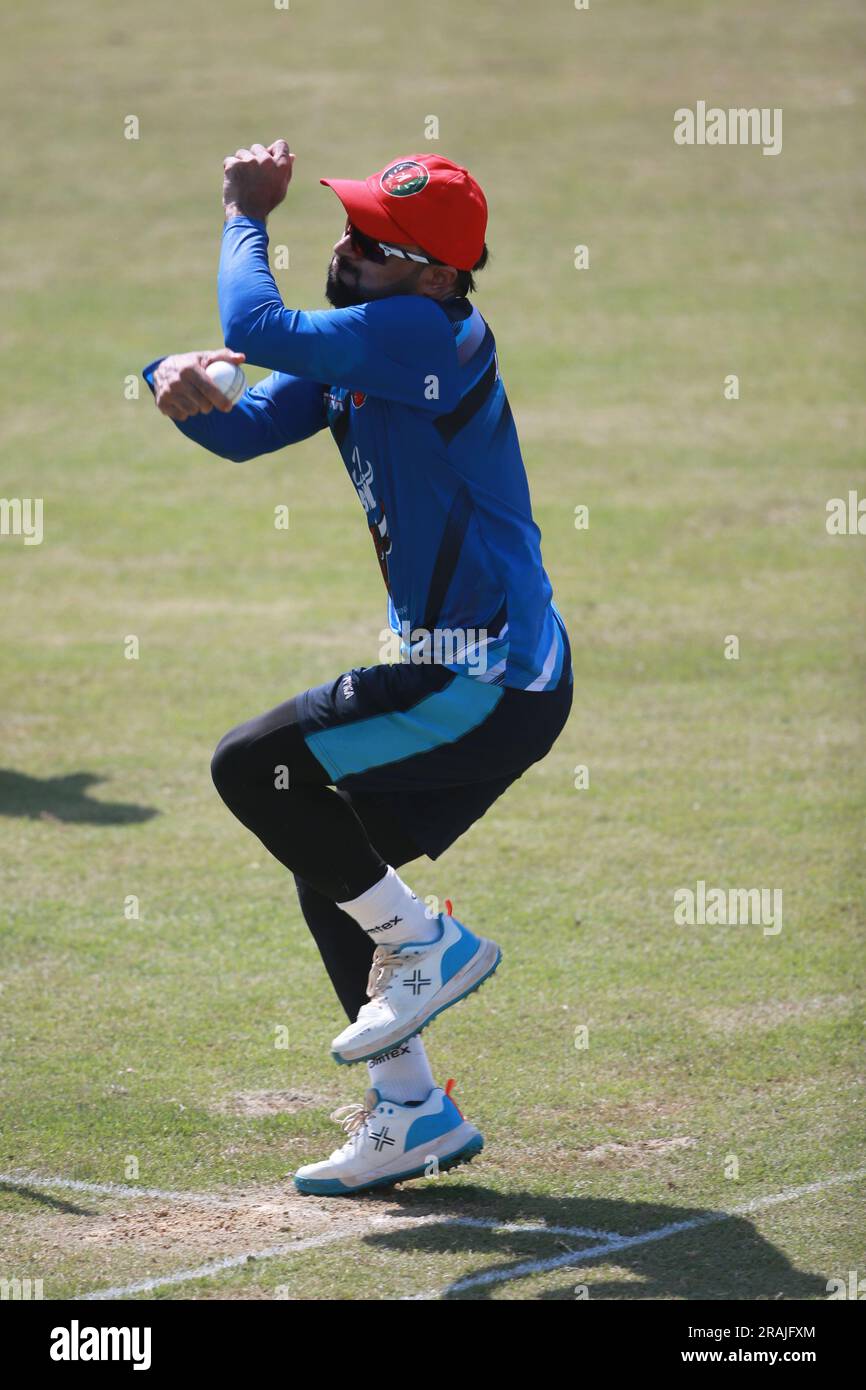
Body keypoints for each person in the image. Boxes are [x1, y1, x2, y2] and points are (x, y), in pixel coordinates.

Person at [143, 141, 573, 1196]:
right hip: (487, 682)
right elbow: (244, 428)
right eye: (347, 225)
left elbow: (254, 326)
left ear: (431, 275)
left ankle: (429, 945)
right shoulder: (372, 342)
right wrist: (168, 380)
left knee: (251, 767)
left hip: (483, 678)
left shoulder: (419, 332)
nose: (341, 245)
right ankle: (410, 1110)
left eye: (370, 243)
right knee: (328, 865)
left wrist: (244, 208)